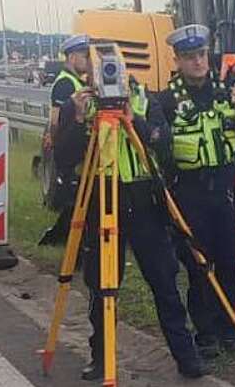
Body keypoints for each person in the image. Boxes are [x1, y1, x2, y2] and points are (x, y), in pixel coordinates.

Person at [55, 67, 206, 381]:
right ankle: (101, 357)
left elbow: (163, 143)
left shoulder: (142, 99)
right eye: (102, 71)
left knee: (165, 281)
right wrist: (79, 119)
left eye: (114, 69)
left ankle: (186, 356)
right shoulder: (80, 104)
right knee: (101, 285)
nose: (108, 78)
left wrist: (132, 118)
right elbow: (63, 157)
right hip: (99, 198)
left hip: (143, 202)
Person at [156, 24, 235, 359]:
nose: (198, 62)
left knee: (230, 262)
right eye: (189, 57)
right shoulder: (167, 99)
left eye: (201, 55)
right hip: (189, 194)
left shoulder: (229, 90)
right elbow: (159, 144)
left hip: (226, 192)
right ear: (177, 60)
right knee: (199, 266)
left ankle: (230, 329)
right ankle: (205, 333)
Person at [39, 35, 92, 246]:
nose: (88, 60)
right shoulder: (65, 83)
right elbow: (56, 120)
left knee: (77, 198)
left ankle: (60, 237)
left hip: (77, 142)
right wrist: (56, 141)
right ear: (71, 57)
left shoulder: (77, 81)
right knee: (74, 196)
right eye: (84, 56)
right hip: (69, 145)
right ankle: (63, 239)